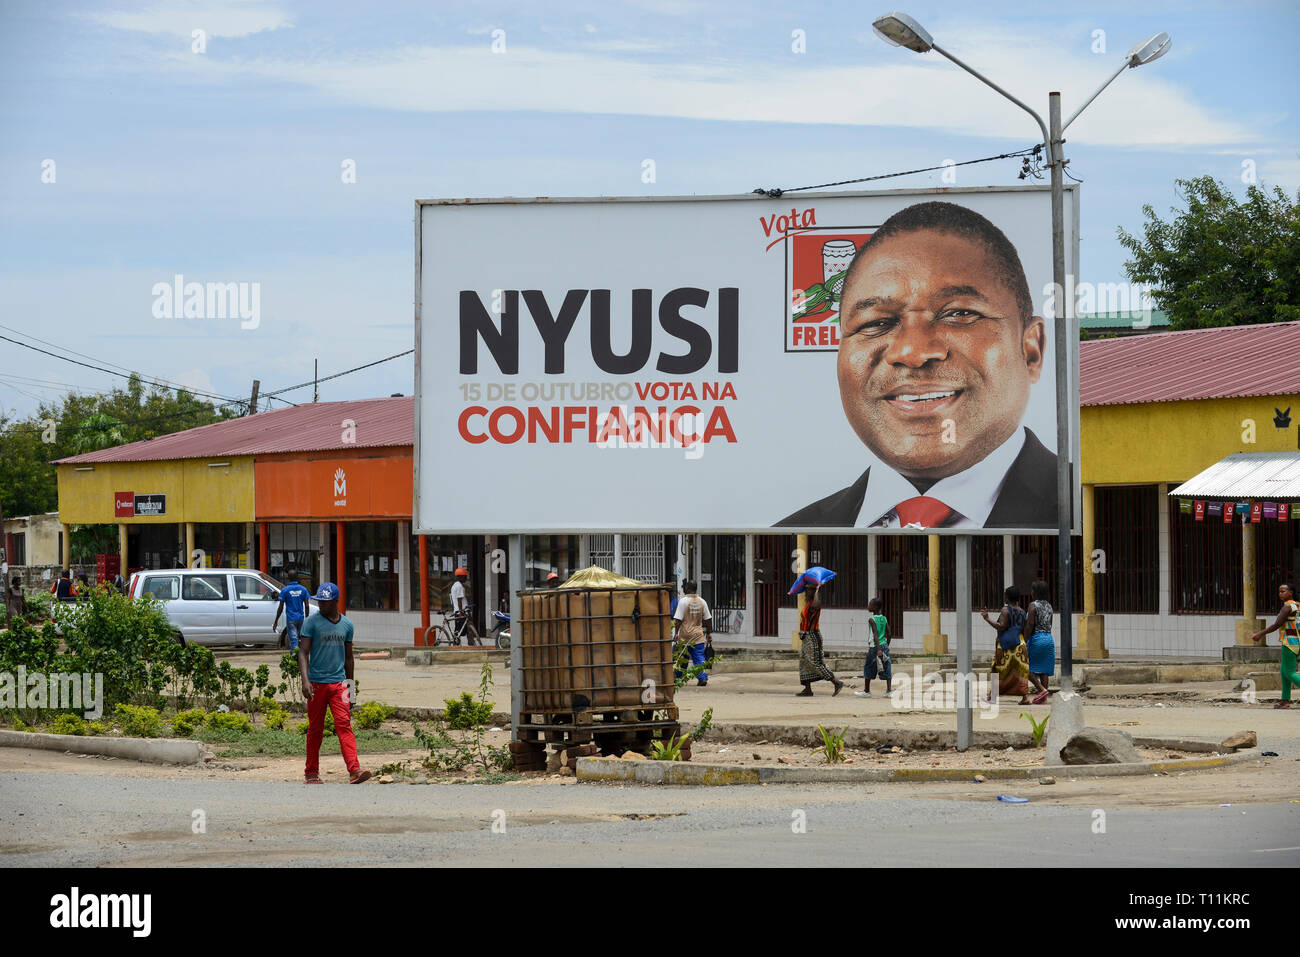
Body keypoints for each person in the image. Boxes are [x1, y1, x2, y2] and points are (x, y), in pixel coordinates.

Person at [778, 201, 1058, 529]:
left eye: (959, 314)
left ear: (1031, 350)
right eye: (876, 322)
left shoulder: (1092, 515)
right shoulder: (790, 539)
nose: (912, 352)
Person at [298, 582, 371, 785]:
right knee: (315, 730)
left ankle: (354, 770)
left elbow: (349, 659)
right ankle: (311, 772)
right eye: (319, 601)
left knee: (344, 726)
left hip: (339, 684)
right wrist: (305, 680)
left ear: (336, 602)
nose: (321, 605)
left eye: (325, 602)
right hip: (317, 685)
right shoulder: (310, 623)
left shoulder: (347, 625)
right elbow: (303, 653)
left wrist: (351, 689)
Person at [1251, 583, 1300, 709]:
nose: (1280, 594)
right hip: (1295, 640)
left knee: (1289, 673)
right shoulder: (1297, 605)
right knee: (1284, 672)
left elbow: (1276, 624)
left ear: (1291, 592)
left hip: (1289, 642)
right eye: (1279, 591)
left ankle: (1285, 700)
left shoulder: (1287, 607)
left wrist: (1260, 634)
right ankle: (1285, 700)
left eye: (1283, 591)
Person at [982, 585, 1031, 704]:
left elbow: (1002, 626)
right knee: (1021, 671)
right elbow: (1023, 628)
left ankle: (993, 696)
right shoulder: (1022, 611)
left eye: (1005, 595)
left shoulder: (1005, 610)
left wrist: (987, 618)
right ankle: (1025, 697)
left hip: (1005, 645)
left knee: (997, 668)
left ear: (1007, 598)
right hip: (1020, 643)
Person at [796, 578, 844, 696]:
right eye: (807, 590)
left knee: (816, 662)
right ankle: (807, 689)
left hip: (813, 637)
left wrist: (817, 590)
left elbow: (816, 604)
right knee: (804, 662)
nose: (806, 592)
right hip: (807, 637)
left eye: (809, 590)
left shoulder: (815, 603)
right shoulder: (809, 604)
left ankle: (836, 682)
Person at [672, 579, 712, 687]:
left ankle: (678, 678)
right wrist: (708, 634)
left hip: (685, 636)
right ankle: (702, 678)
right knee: (699, 658)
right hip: (698, 636)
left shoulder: (683, 601)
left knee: (682, 658)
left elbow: (678, 621)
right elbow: (708, 620)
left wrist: (676, 634)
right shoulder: (702, 601)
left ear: (688, 588)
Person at [1022, 579, 1054, 705]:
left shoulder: (1033, 605)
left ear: (1035, 592)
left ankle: (1041, 690)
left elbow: (1030, 624)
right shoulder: (1049, 606)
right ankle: (1043, 699)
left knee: (1024, 667)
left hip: (1036, 638)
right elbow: (1050, 623)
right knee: (1044, 670)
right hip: (1048, 638)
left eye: (1032, 590)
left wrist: (1024, 640)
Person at [856, 596, 891, 696]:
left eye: (870, 604)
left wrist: (879, 649)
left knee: (869, 667)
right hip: (884, 645)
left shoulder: (872, 619)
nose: (868, 606)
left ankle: (867, 691)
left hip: (874, 647)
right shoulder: (884, 618)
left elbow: (875, 634)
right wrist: (886, 646)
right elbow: (889, 633)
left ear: (875, 607)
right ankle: (889, 690)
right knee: (886, 666)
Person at [273, 569, 311, 652]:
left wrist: (276, 620)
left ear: (288, 578)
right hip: (301, 618)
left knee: (294, 641)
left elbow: (280, 607)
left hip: (291, 619)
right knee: (298, 640)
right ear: (297, 577)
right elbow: (307, 606)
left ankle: (295, 660)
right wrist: (307, 618)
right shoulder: (303, 589)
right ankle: (298, 659)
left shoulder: (285, 590)